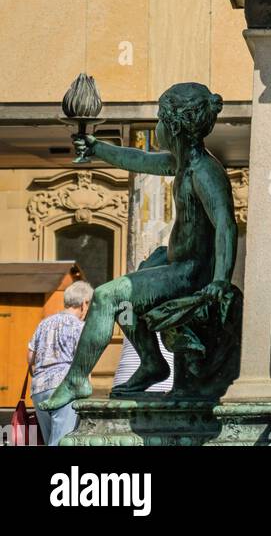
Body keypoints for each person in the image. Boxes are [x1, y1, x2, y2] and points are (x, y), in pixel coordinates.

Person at [43, 83, 237, 411]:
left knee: (107, 295)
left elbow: (226, 226)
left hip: (189, 274)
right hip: (176, 265)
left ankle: (77, 379)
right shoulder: (184, 163)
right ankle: (151, 362)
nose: (157, 126)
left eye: (160, 119)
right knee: (126, 300)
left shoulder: (205, 172)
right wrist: (96, 148)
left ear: (174, 126)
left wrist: (221, 278)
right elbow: (139, 159)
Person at [28, 280, 93, 445]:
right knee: (61, 442)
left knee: (50, 439)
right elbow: (84, 363)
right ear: (84, 303)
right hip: (64, 389)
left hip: (39, 389)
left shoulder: (44, 324)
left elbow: (30, 357)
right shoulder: (80, 327)